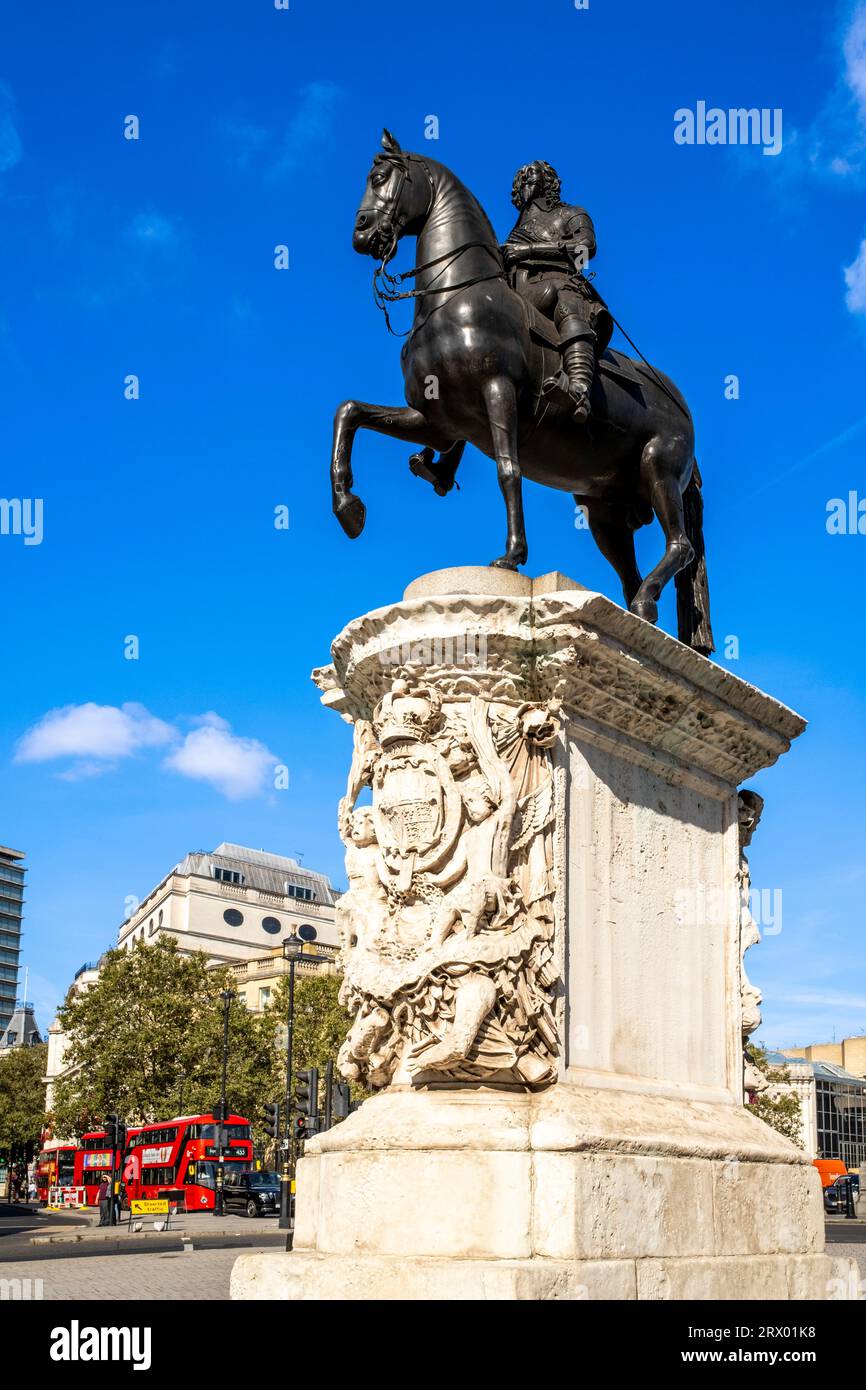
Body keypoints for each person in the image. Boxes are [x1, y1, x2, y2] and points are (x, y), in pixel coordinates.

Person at [502, 160, 612, 422]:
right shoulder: (514, 233)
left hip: (556, 283)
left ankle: (579, 388)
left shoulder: (571, 213)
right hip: (518, 292)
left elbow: (586, 247)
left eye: (531, 174)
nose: (524, 179)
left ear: (547, 180)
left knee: (565, 296)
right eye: (521, 177)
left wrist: (529, 251)